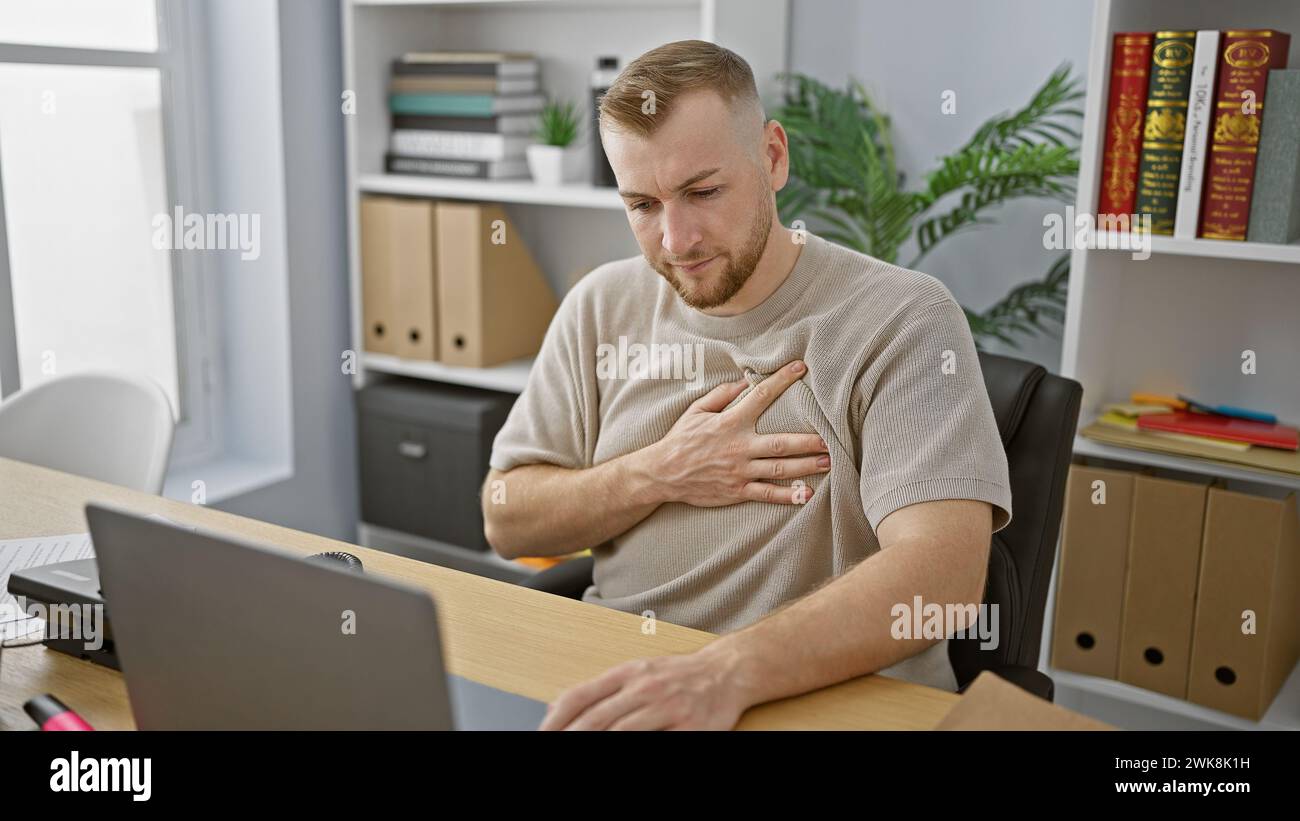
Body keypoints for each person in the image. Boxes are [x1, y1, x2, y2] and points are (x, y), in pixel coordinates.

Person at [481, 39, 1012, 730]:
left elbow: (940, 581)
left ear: (773, 156)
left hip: (832, 701)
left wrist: (719, 672)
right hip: (631, 691)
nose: (675, 239)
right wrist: (659, 472)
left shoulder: (903, 318)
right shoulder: (601, 306)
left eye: (702, 192)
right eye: (642, 203)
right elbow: (506, 515)